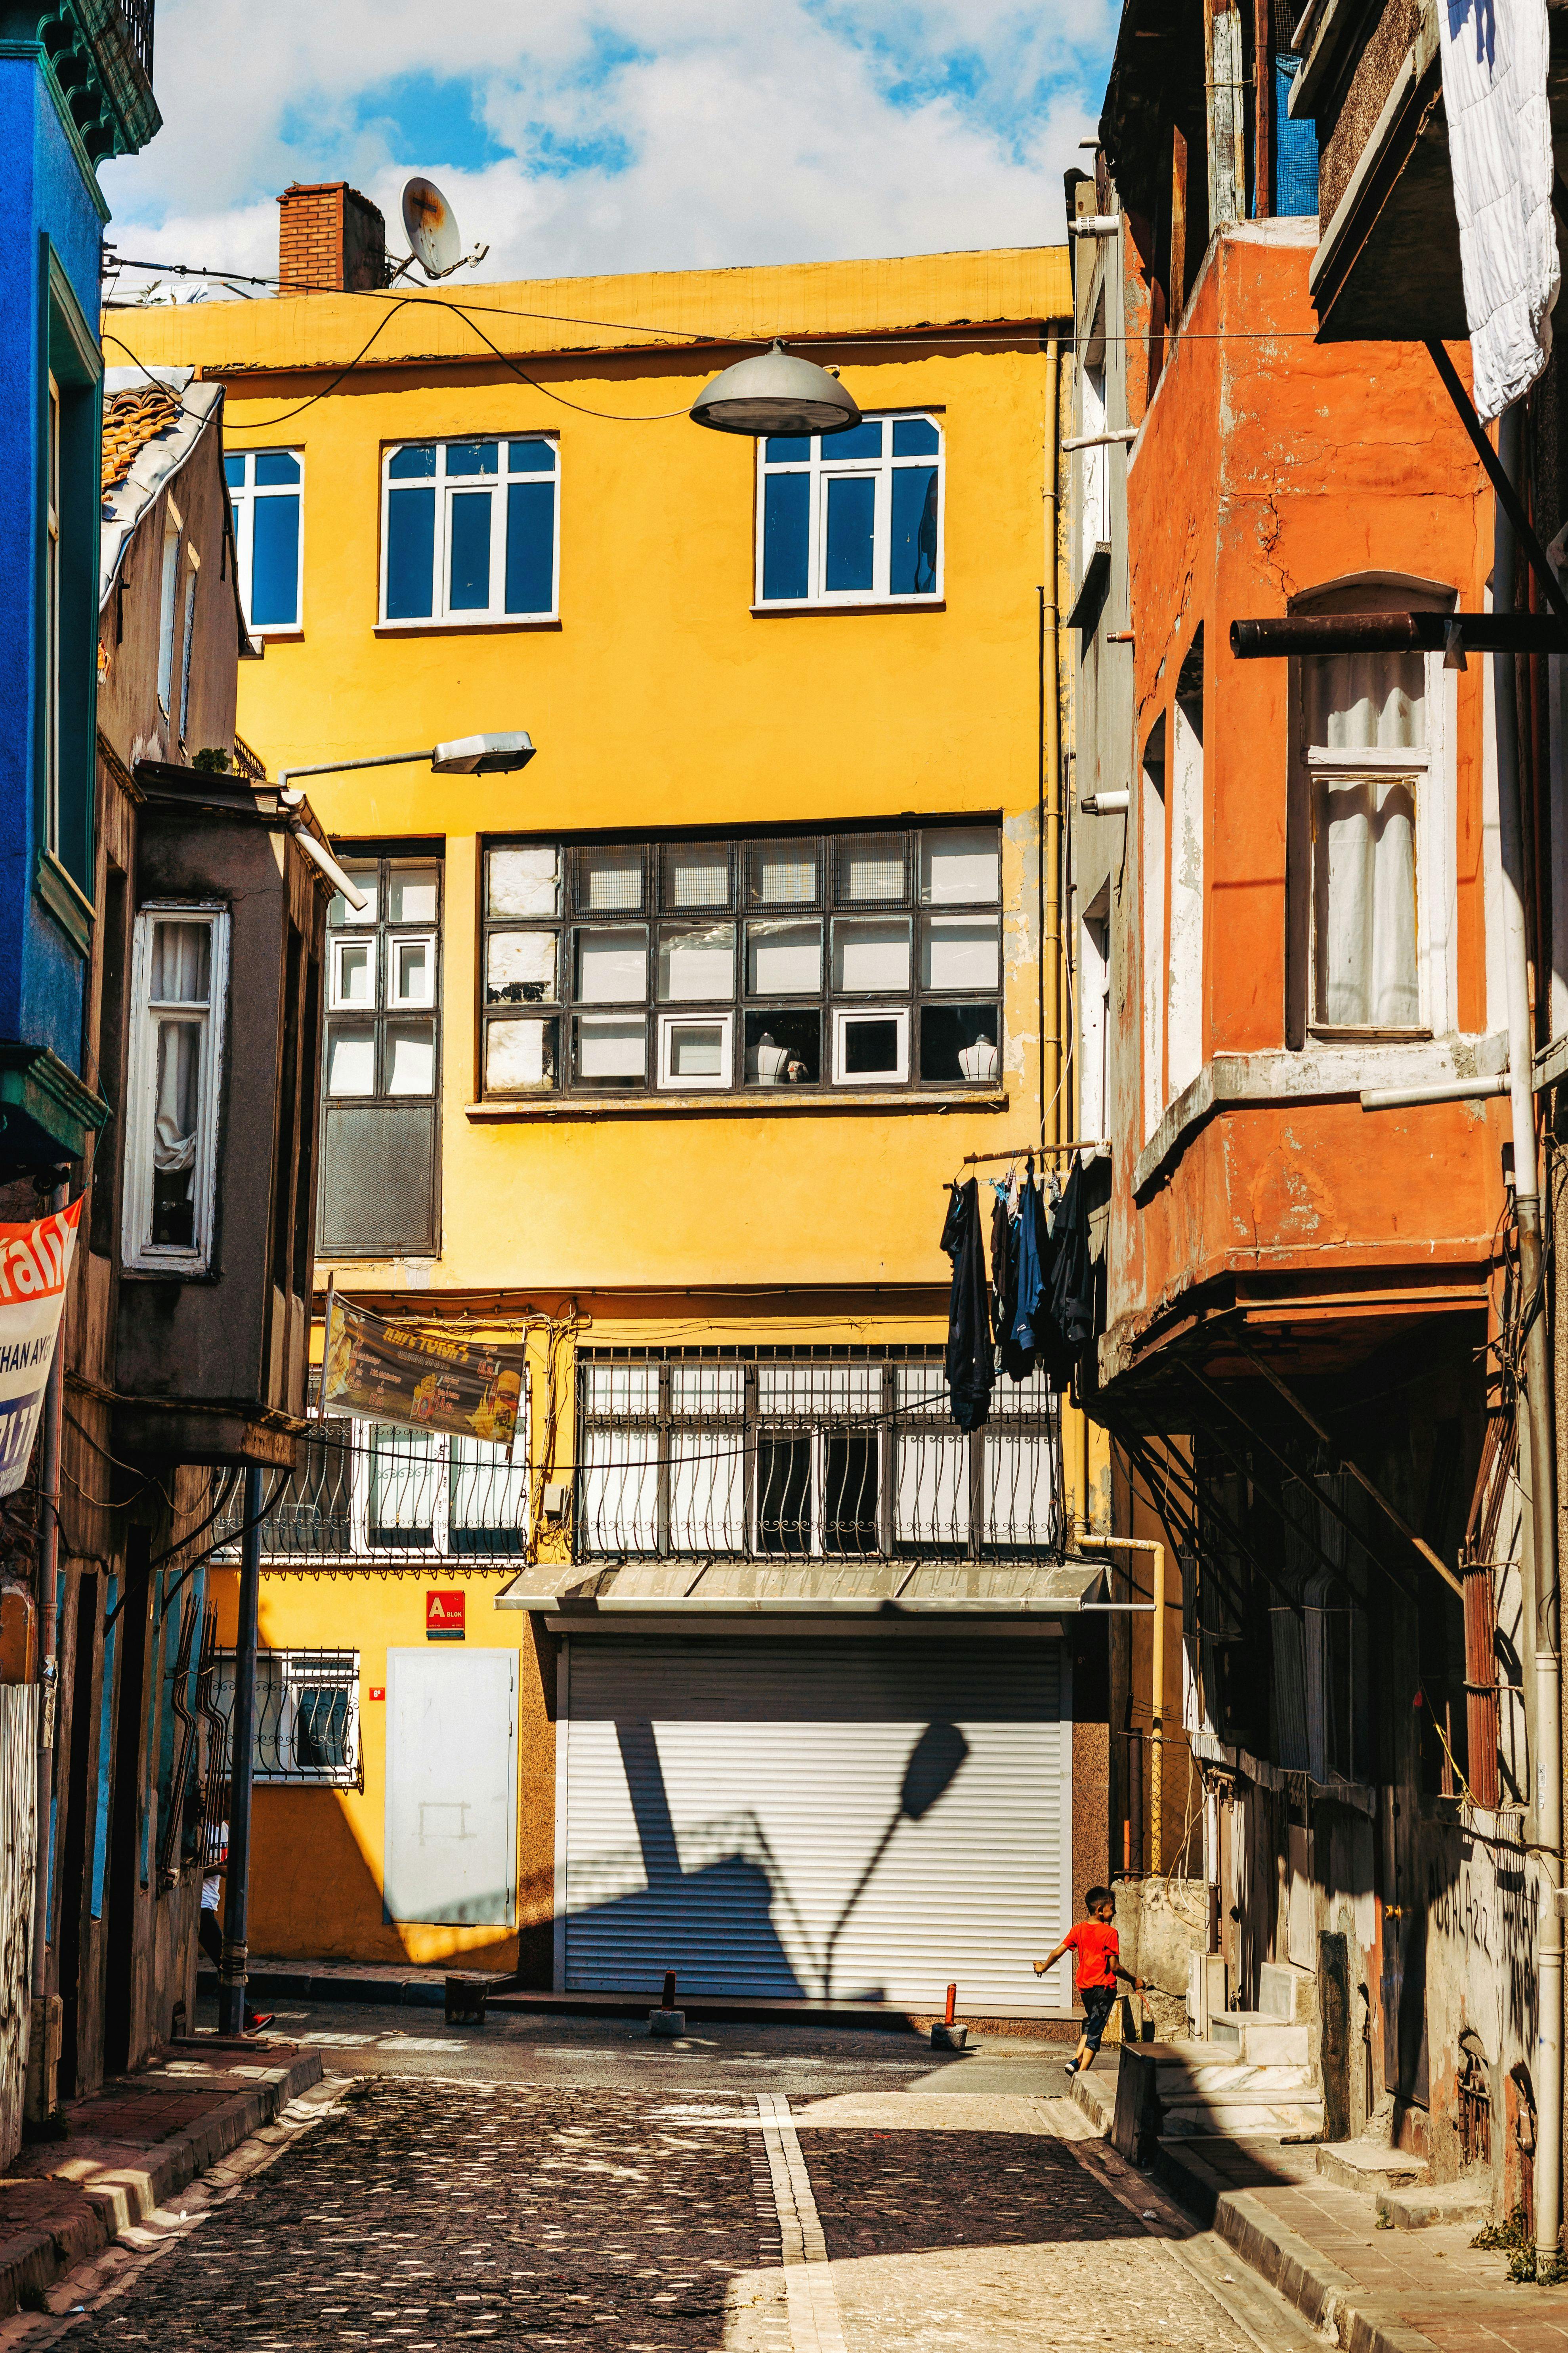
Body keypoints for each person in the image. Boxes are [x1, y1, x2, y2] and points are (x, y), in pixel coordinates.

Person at [1034, 1884, 1142, 2074]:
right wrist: (1134, 1980)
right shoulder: (1110, 1933)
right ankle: (1082, 2074)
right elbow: (1115, 1967)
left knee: (1092, 2024)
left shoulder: (1078, 1930)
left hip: (1086, 1989)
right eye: (1112, 1908)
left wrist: (1043, 1967)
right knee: (1095, 2033)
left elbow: (1058, 1952)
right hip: (1105, 1989)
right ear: (1100, 1910)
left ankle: (1076, 2060)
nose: (1115, 1912)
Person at [198, 1824, 273, 2034]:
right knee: (226, 1960)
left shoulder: (225, 1829)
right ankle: (244, 2018)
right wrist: (218, 1870)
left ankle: (239, 2018)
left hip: (209, 1903)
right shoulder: (201, 1828)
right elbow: (189, 1870)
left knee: (224, 1960)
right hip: (199, 1904)